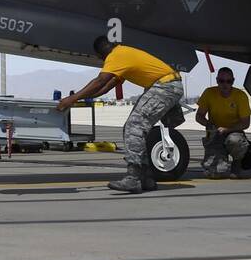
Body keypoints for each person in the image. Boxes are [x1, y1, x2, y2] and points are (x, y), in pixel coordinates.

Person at [56, 37, 184, 193]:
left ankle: (134, 178)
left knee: (134, 127)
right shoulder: (123, 54)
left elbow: (100, 81)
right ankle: (145, 178)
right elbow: (105, 87)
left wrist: (71, 99)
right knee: (131, 128)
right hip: (166, 84)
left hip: (165, 86)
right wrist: (77, 99)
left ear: (100, 55)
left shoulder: (116, 56)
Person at [196, 67, 251, 179]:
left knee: (234, 140)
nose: (225, 84)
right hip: (215, 134)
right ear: (217, 80)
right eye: (221, 81)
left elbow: (246, 123)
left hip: (234, 132)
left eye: (228, 81)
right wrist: (209, 125)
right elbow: (199, 116)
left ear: (233, 81)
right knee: (215, 174)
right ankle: (219, 162)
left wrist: (227, 129)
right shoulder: (209, 93)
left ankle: (237, 162)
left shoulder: (240, 96)